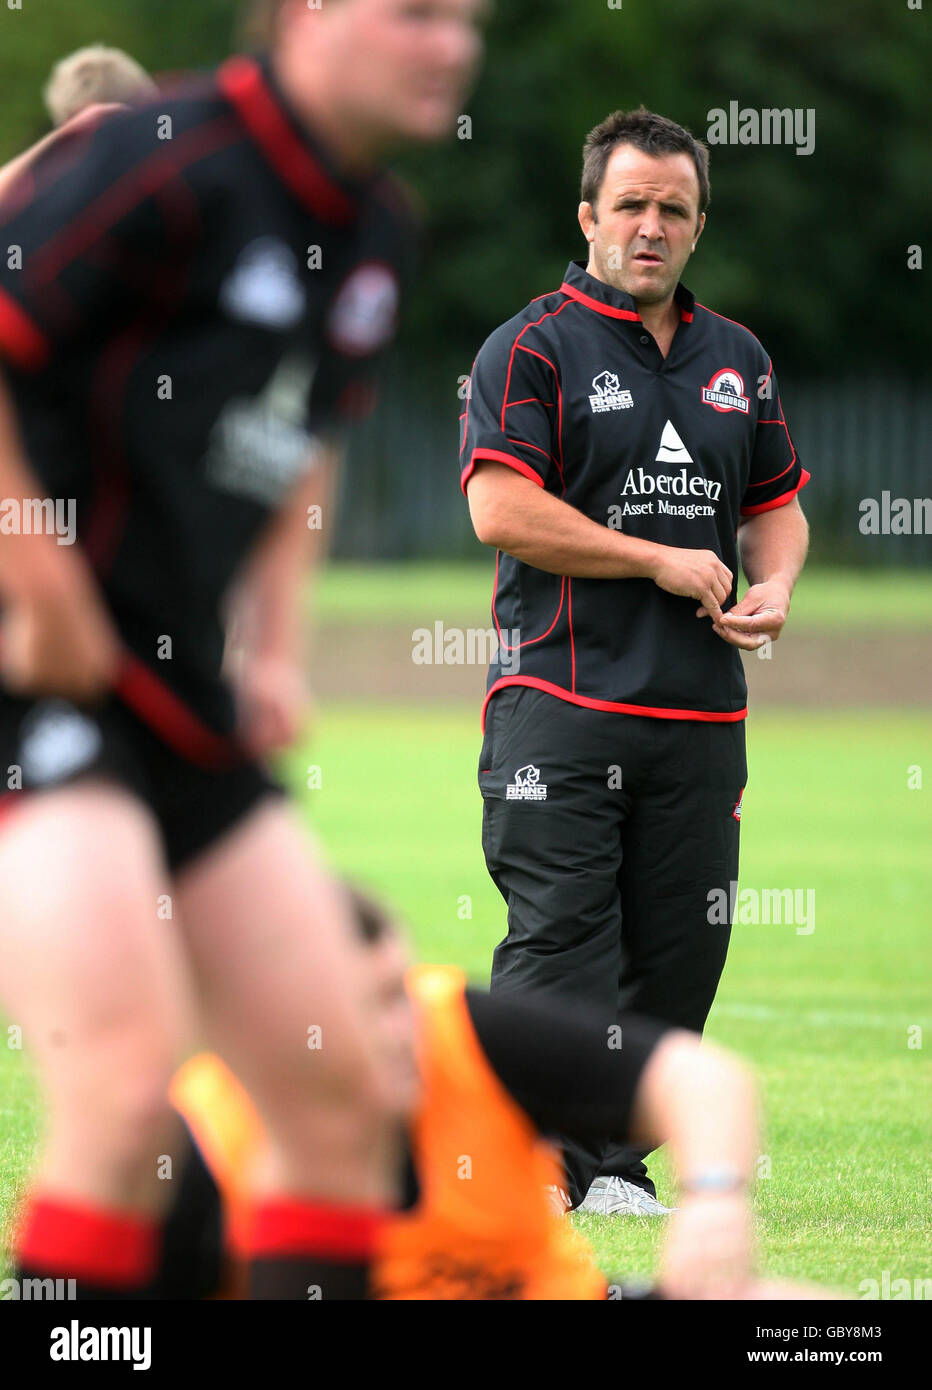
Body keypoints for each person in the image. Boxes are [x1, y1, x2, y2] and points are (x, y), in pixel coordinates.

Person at [0, 0, 485, 1300]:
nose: (453, 46)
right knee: (123, 1097)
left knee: (340, 1098)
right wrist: (38, 580)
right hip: (32, 678)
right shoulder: (158, 157)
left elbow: (305, 442)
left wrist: (273, 649)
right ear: (303, 14)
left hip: (173, 691)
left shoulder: (376, 230)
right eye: (419, 14)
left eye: (469, 19)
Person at [461, 107, 810, 1215]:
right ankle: (529, 1167)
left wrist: (774, 584)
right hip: (559, 701)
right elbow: (500, 509)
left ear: (699, 225)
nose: (650, 226)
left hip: (700, 713)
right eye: (630, 206)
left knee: (678, 954)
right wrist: (654, 559)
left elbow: (774, 505)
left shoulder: (738, 359)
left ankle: (614, 1166)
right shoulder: (530, 347)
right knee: (559, 942)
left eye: (673, 209)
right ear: (588, 217)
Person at [170, 885, 835, 1301]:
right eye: (368, 1008)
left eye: (398, 993)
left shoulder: (460, 1031)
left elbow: (701, 1077)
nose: (402, 1030)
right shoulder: (204, 1140)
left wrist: (716, 1198)